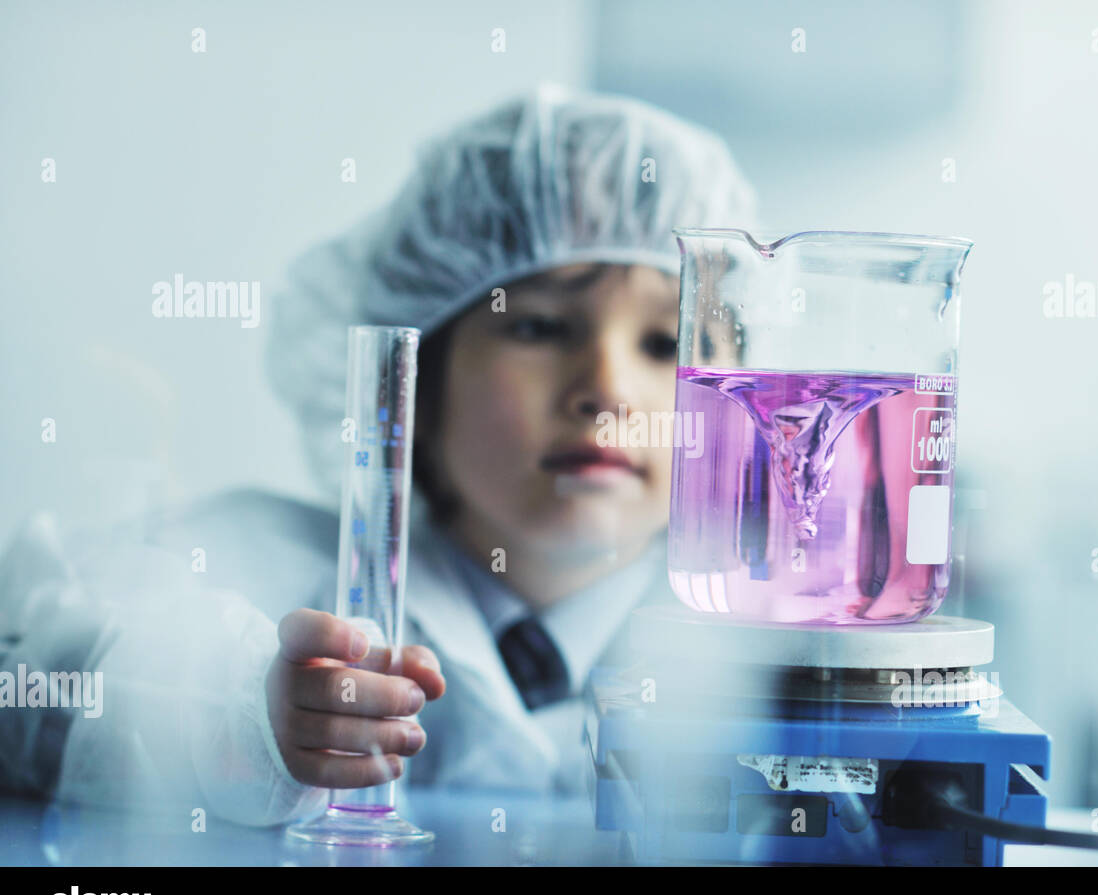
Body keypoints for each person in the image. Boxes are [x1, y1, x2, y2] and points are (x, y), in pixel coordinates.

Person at [0, 86, 757, 826]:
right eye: (538, 328)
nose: (607, 389)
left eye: (666, 344)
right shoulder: (254, 570)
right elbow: (30, 669)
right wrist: (230, 719)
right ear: (413, 390)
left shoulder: (769, 650)